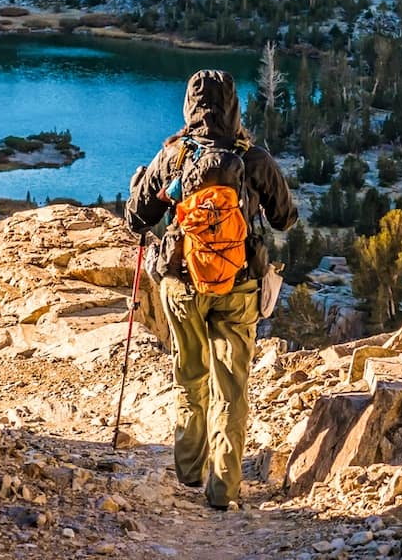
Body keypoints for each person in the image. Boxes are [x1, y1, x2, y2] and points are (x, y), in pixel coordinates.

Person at [126, 69, 296, 510]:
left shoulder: (175, 156)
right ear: (234, 106)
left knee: (190, 374)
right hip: (240, 285)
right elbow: (285, 218)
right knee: (232, 387)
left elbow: (137, 219)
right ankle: (223, 489)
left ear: (189, 106)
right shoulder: (252, 158)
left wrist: (144, 185)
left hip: (182, 283)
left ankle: (187, 471)